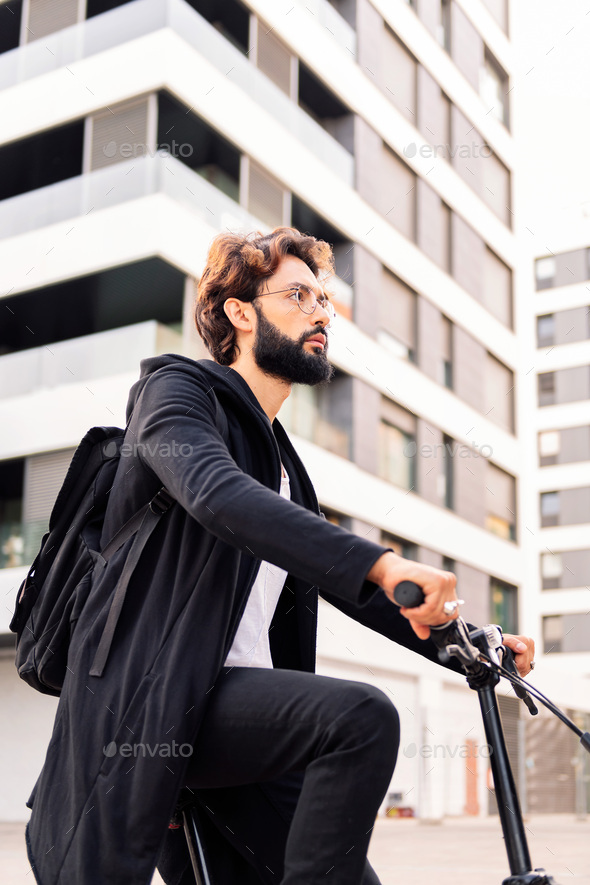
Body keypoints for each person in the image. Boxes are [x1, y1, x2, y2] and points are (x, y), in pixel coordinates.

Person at [25, 227, 534, 885]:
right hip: (153, 706)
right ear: (239, 311)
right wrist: (381, 561)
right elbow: (217, 494)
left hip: (231, 723)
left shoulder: (283, 462)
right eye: (299, 294)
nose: (321, 311)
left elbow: (348, 584)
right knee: (359, 717)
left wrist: (473, 641)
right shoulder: (175, 393)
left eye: (325, 299)